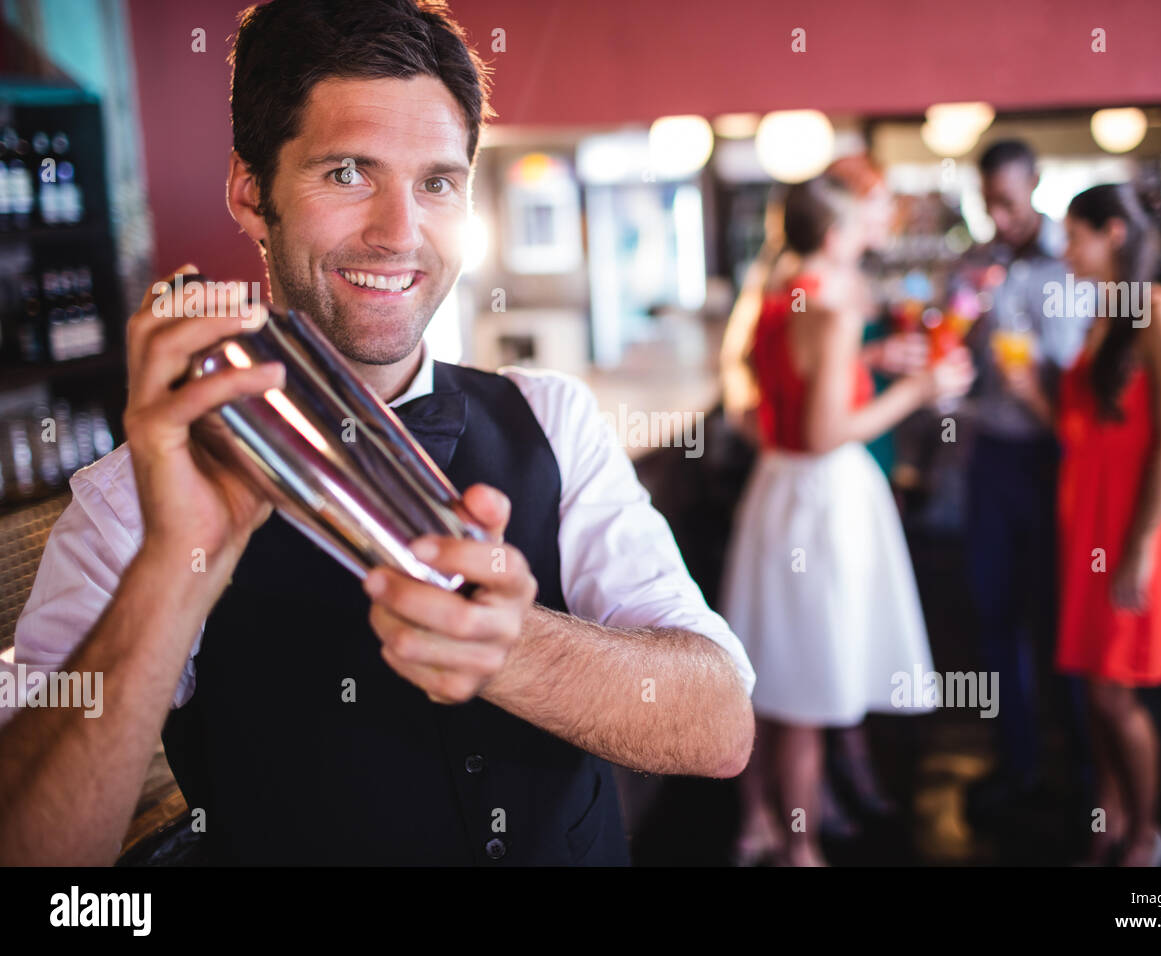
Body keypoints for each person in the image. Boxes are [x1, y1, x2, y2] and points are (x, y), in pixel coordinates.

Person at [0, 0, 755, 866]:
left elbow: (720, 723)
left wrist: (514, 650)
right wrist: (176, 564)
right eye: (349, 171)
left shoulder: (553, 419)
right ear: (251, 192)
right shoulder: (126, 503)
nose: (400, 234)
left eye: (436, 183)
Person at [719, 170, 973, 866]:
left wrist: (869, 357)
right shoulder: (830, 314)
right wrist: (917, 389)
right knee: (804, 683)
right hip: (823, 496)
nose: (872, 234)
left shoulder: (778, 299)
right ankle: (801, 849)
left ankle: (757, 825)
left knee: (770, 671)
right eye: (863, 223)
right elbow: (830, 429)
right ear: (835, 236)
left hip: (777, 490)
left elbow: (789, 382)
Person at [1005, 183, 1161, 866]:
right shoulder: (1100, 319)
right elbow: (1079, 435)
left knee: (1116, 694)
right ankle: (1109, 816)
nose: (1066, 250)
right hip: (1083, 525)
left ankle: (1148, 829)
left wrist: (1140, 547)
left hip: (1131, 529)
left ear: (1114, 232)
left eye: (1075, 236)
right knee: (1091, 685)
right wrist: (1031, 392)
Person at [961, 140, 1092, 822]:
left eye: (1008, 202)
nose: (999, 216)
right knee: (991, 613)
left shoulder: (1073, 264)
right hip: (989, 455)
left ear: (1035, 186)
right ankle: (1015, 762)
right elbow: (955, 345)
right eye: (989, 204)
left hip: (1049, 460)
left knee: (1055, 615)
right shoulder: (976, 262)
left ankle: (1080, 771)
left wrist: (1032, 368)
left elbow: (1075, 379)